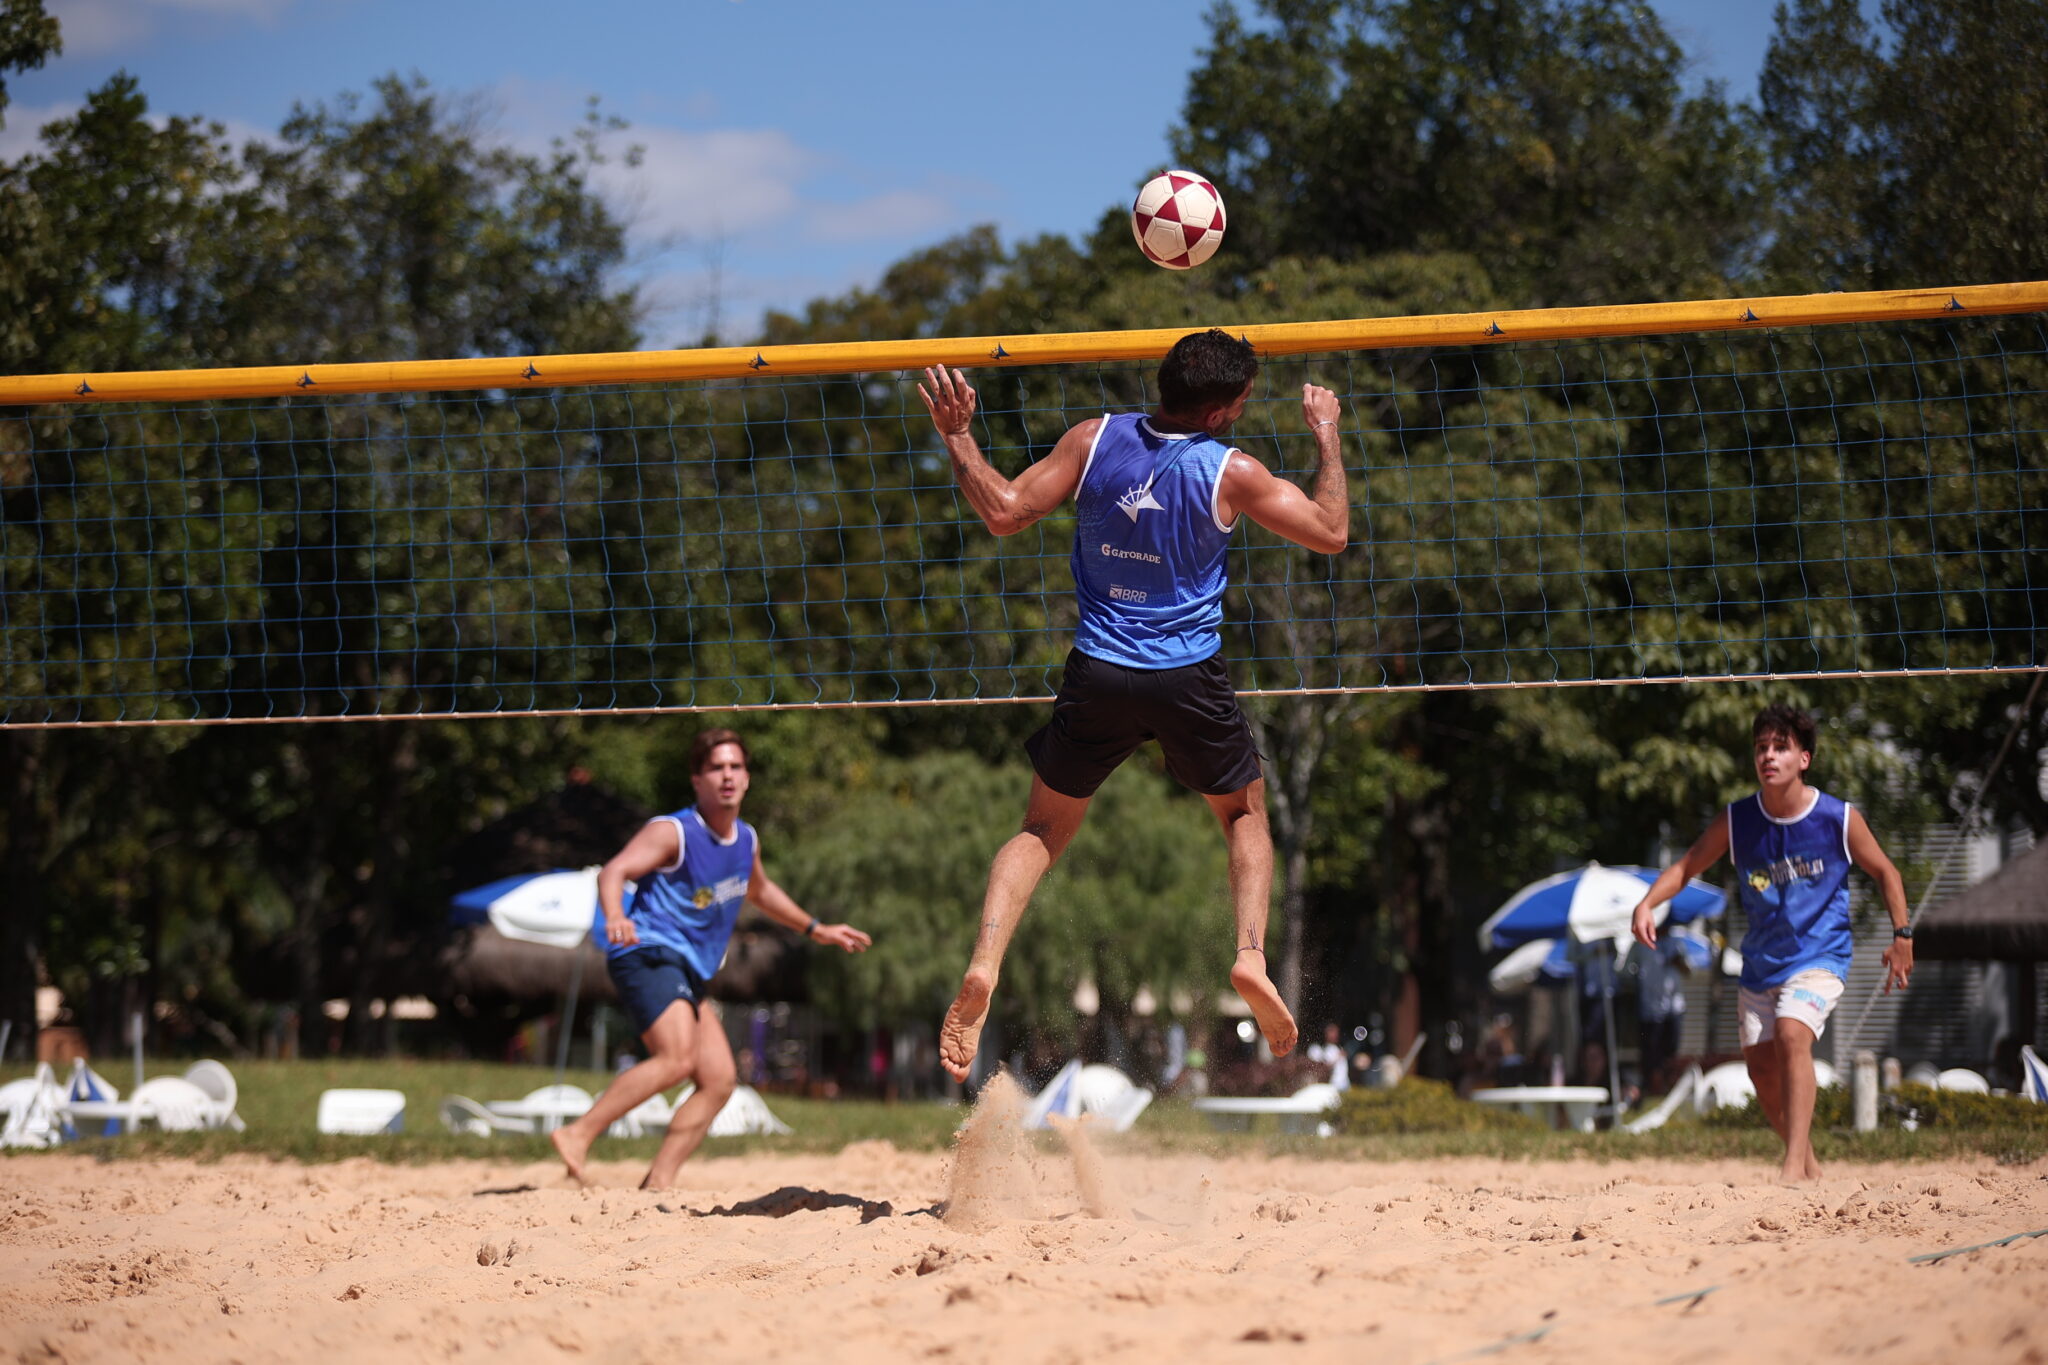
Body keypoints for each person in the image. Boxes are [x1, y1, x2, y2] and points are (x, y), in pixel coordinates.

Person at [918, 330, 1349, 1081]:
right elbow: (1332, 531)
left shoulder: (1093, 439)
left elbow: (1005, 510)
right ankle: (1249, 955)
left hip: (1099, 670)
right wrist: (1328, 438)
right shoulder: (1232, 470)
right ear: (1221, 413)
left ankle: (986, 959)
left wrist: (958, 437)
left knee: (1043, 827)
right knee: (1244, 815)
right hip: (1188, 677)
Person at [549, 729, 871, 1188]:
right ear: (697, 780)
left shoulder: (746, 840)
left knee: (719, 1080)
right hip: (649, 950)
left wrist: (816, 929)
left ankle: (657, 1183)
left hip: (688, 968)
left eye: (735, 767)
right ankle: (578, 1133)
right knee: (676, 1059)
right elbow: (615, 871)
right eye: (716, 767)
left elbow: (760, 891)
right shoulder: (674, 831)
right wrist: (616, 914)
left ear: (747, 778)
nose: (727, 776)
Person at [1631, 702, 1912, 1182]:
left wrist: (1902, 934)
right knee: (1760, 1069)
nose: (1769, 756)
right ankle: (1808, 1165)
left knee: (1790, 1034)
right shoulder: (1739, 820)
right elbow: (1686, 866)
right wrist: (1647, 903)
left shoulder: (1837, 818)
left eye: (1780, 747)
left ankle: (1788, 1169)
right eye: (1761, 748)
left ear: (1804, 758)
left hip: (1820, 955)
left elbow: (1886, 870)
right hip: (1762, 964)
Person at [1307, 1022, 1351, 1090]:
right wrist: (1337, 1057)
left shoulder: (1338, 1049)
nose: (1335, 1035)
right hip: (1332, 1086)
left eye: (1336, 1032)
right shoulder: (1321, 1049)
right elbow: (1324, 1067)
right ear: (1325, 1033)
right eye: (1331, 1032)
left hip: (1344, 1085)